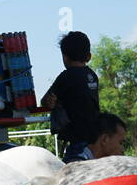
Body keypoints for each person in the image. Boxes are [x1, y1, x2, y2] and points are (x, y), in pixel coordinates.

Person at [40, 31, 100, 163]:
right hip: (95, 138)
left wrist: (51, 102)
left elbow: (45, 101)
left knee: (68, 177)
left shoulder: (66, 77)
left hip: (77, 141)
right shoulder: (92, 76)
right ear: (88, 56)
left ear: (64, 57)